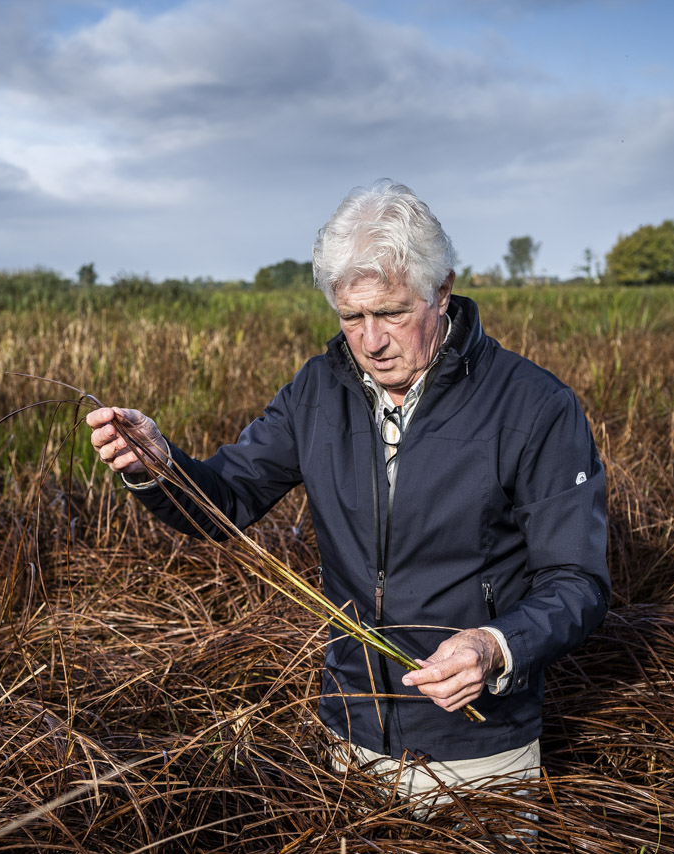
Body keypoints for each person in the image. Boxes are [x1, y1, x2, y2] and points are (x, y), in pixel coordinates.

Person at [86, 180, 609, 812]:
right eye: (350, 317)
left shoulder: (533, 406)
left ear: (442, 291)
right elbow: (225, 501)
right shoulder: (317, 390)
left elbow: (576, 581)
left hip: (481, 753)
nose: (370, 341)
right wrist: (160, 467)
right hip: (349, 743)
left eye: (391, 312)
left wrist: (496, 645)